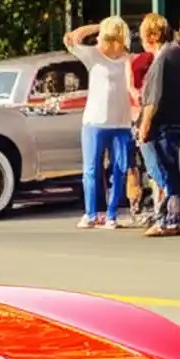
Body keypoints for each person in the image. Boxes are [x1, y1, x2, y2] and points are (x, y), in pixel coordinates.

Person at [65, 17, 134, 229]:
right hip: (94, 122)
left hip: (121, 124)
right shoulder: (93, 56)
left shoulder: (127, 60)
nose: (98, 41)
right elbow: (70, 40)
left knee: (119, 169)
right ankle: (91, 213)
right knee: (91, 169)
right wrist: (97, 27)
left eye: (102, 37)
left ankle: (112, 214)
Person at [138, 12, 180, 237]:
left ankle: (167, 219)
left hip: (161, 125)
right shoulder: (177, 54)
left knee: (161, 173)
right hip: (174, 121)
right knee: (171, 173)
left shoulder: (163, 58)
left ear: (152, 36)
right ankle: (175, 219)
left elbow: (153, 98)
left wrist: (144, 125)